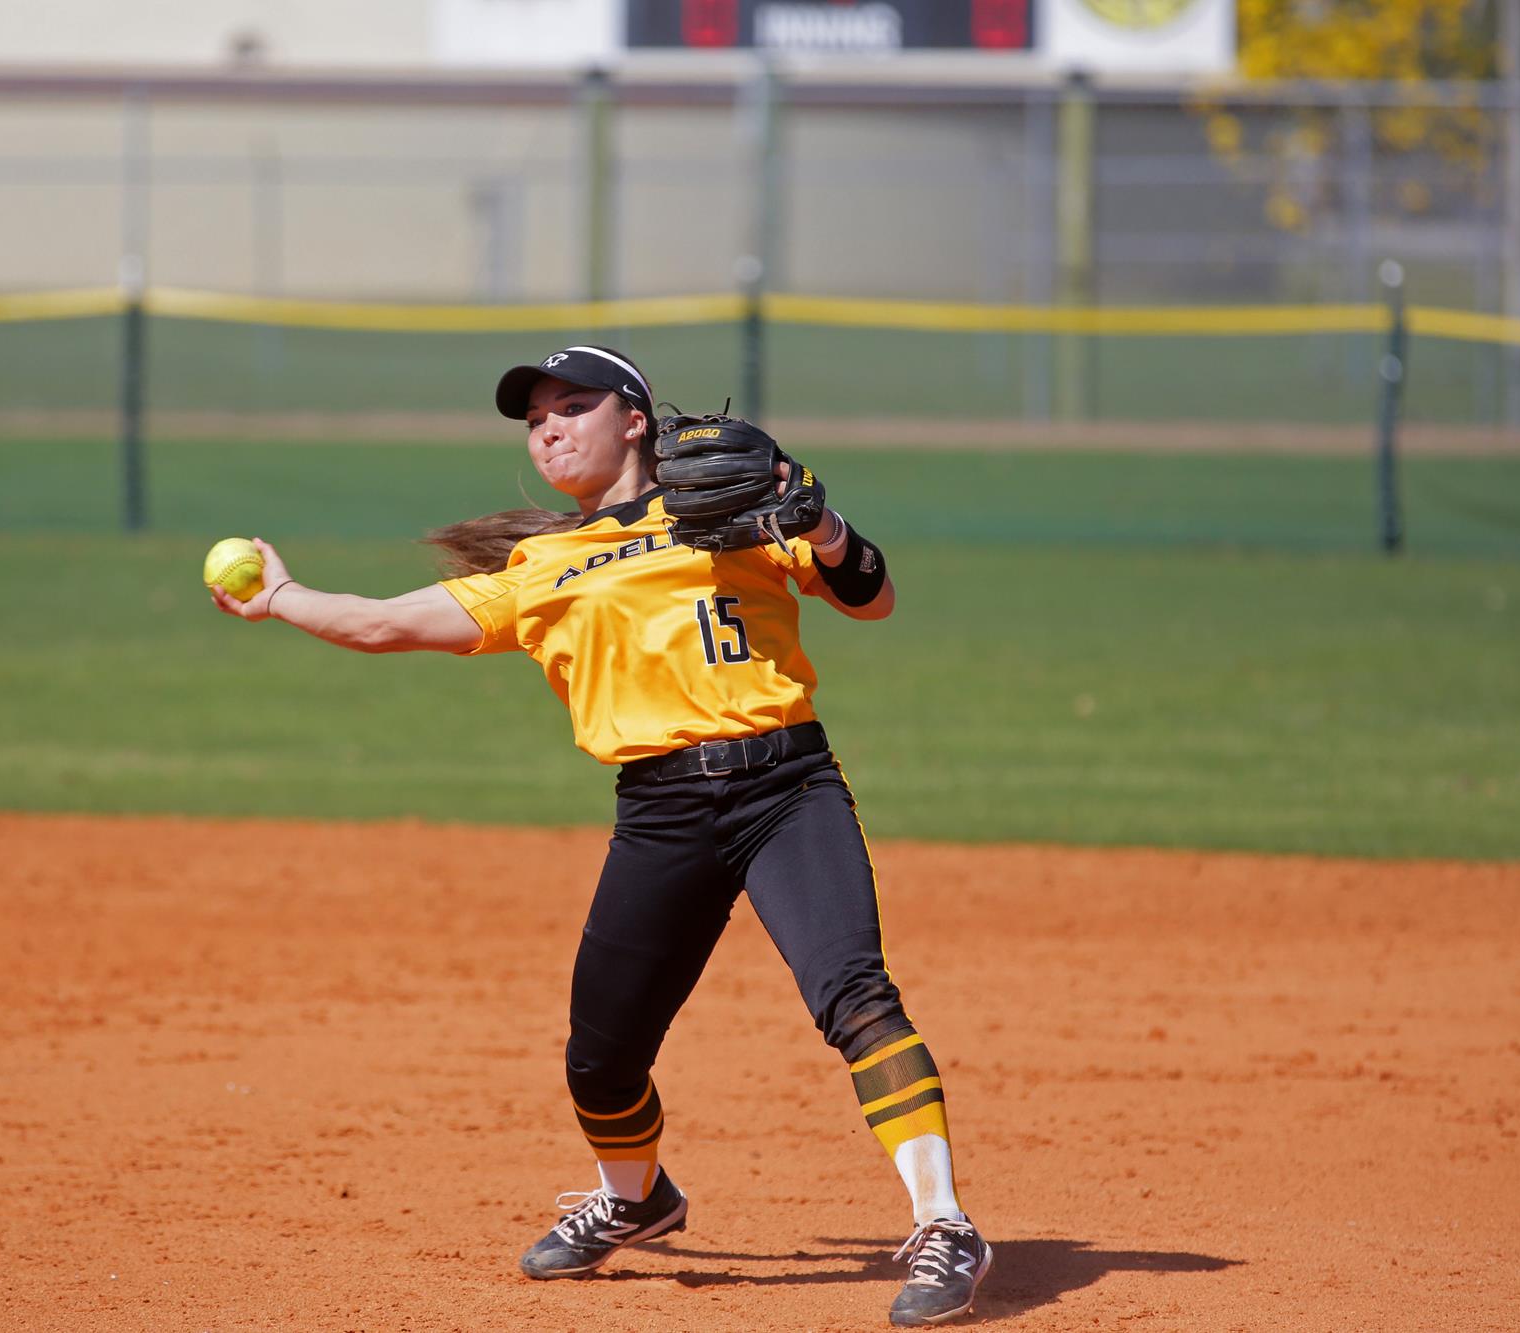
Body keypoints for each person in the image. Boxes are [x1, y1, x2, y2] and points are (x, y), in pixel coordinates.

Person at [209, 344, 992, 1327]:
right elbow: (379, 624)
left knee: (854, 996)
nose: (547, 426)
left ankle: (943, 1223)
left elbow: (869, 594)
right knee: (599, 1059)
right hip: (660, 812)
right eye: (534, 417)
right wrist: (278, 595)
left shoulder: (727, 505)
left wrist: (820, 521)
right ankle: (636, 1200)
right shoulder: (539, 567)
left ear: (634, 418)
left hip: (784, 785)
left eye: (571, 405)